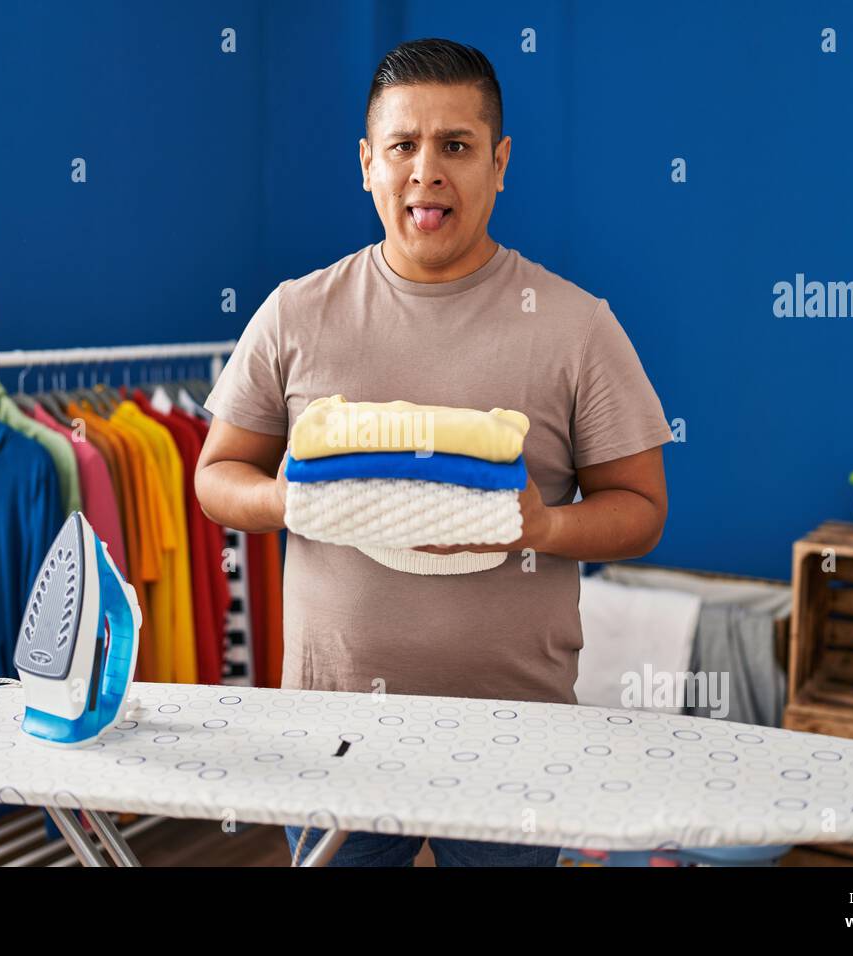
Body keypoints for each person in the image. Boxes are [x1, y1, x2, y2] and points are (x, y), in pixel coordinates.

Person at [195, 37, 672, 867]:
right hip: (330, 728)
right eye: (403, 146)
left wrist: (540, 528)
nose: (427, 171)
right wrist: (291, 501)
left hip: (518, 730)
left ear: (499, 163)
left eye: (456, 145)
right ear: (366, 163)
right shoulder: (294, 314)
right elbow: (215, 477)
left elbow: (642, 510)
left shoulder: (577, 326)